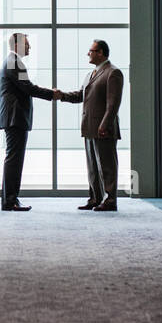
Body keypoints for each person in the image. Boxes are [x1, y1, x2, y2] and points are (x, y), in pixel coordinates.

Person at [54, 39, 124, 211]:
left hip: (103, 129)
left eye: (91, 50)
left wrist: (105, 124)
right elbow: (80, 95)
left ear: (101, 53)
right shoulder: (90, 74)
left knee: (107, 165)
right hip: (89, 127)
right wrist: (61, 95)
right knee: (92, 166)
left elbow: (113, 103)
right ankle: (95, 198)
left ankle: (110, 200)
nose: (88, 53)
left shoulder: (113, 73)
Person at [0, 32, 54, 212]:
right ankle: (10, 200)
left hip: (14, 118)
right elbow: (28, 88)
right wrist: (52, 94)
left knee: (13, 159)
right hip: (15, 118)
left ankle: (10, 199)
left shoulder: (12, 62)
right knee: (14, 160)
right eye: (27, 44)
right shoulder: (14, 63)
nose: (30, 48)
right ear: (17, 45)